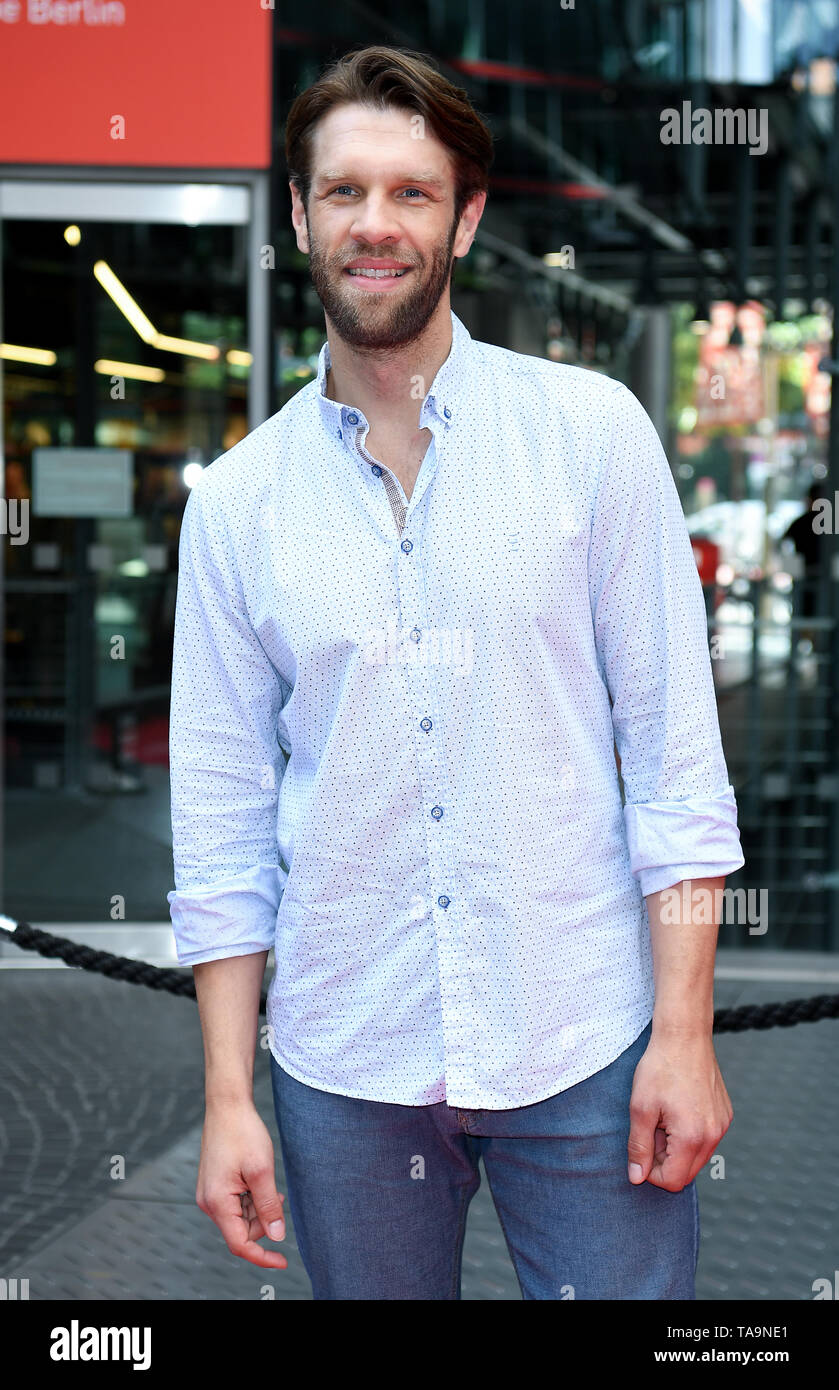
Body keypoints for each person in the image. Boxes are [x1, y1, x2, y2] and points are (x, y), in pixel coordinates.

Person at [167, 44, 745, 1300]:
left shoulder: (590, 438)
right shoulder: (238, 507)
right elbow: (216, 832)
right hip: (343, 1062)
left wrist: (685, 1036)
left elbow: (673, 764)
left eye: (412, 193)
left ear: (466, 216)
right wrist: (225, 1097)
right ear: (301, 213)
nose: (375, 225)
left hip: (580, 1039)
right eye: (343, 192)